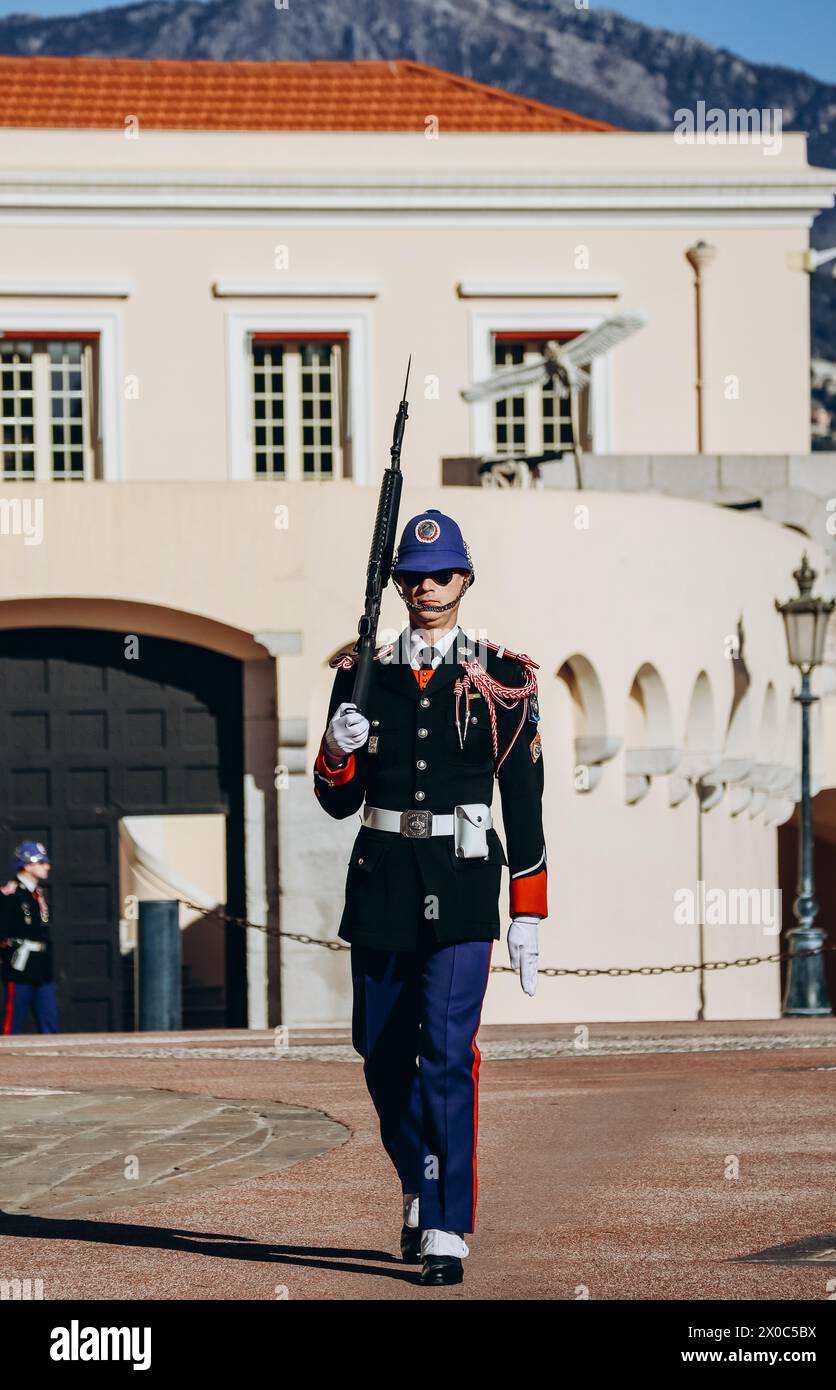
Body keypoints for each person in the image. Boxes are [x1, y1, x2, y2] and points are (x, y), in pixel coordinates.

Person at [314, 508, 547, 1286]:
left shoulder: (501, 679)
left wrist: (529, 910)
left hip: (462, 881)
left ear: (465, 580)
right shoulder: (361, 673)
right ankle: (417, 1177)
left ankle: (446, 1223)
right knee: (381, 1055)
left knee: (449, 1053)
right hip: (383, 880)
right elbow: (334, 801)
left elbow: (524, 796)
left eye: (441, 574)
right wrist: (336, 751)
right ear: (399, 586)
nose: (427, 588)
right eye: (412, 578)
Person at [0, 841, 59, 1035]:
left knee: (50, 1024)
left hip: (41, 968)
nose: (47, 866)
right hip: (19, 968)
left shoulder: (38, 894)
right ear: (27, 865)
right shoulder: (10, 895)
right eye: (41, 862)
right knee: (13, 1024)